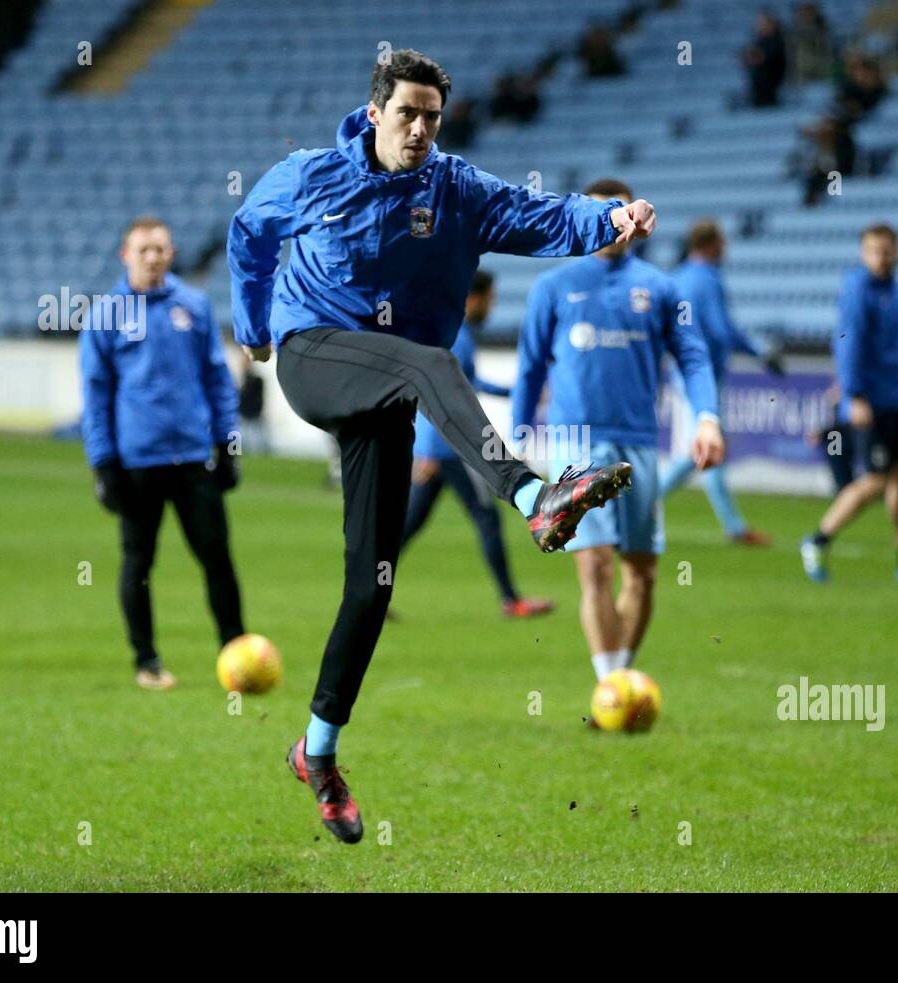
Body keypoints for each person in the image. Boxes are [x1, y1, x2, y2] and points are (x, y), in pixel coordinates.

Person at [227, 50, 654, 844]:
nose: (420, 129)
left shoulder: (456, 188)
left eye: (432, 117)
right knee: (431, 363)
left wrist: (611, 217)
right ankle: (534, 496)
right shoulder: (311, 174)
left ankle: (315, 754)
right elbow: (249, 231)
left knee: (371, 585)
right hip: (316, 355)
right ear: (375, 110)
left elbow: (542, 215)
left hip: (389, 388)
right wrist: (253, 328)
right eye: (407, 114)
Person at [511, 178, 723, 690]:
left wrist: (707, 417)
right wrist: (518, 440)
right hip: (575, 443)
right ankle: (609, 686)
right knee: (596, 567)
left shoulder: (660, 287)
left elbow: (693, 357)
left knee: (643, 572)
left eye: (621, 211)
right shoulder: (553, 286)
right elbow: (531, 367)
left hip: (639, 440)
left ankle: (621, 681)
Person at [80, 216, 246, 690]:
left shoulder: (192, 307)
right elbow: (96, 395)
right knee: (138, 563)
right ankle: (146, 661)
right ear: (125, 255)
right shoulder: (106, 315)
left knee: (218, 559)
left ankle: (236, 658)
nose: (152, 257)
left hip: (194, 459)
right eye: (143, 249)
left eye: (160, 249)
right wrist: (103, 464)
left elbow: (217, 380)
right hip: (137, 465)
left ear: (171, 254)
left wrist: (227, 445)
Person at [799, 224, 898, 586]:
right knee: (877, 480)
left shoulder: (897, 291)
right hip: (872, 402)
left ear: (897, 252)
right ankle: (817, 540)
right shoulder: (858, 291)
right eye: (874, 251)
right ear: (863, 254)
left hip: (897, 400)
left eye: (887, 250)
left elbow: (896, 351)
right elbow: (847, 344)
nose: (881, 257)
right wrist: (855, 395)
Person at [400, 270, 555, 619]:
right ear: (473, 299)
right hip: (451, 450)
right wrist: (426, 449)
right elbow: (433, 393)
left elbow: (467, 383)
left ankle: (369, 590)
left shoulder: (455, 332)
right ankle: (510, 600)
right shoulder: (457, 336)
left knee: (410, 524)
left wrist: (513, 392)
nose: (493, 305)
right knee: (487, 519)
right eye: (490, 299)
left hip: (441, 450)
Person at [659, 219, 779, 546]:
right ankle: (640, 502)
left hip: (682, 371)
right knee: (697, 451)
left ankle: (734, 526)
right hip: (704, 376)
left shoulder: (676, 277)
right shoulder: (708, 279)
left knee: (704, 450)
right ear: (711, 244)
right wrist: (760, 351)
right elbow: (721, 328)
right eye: (722, 242)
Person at [741, 12, 788, 108]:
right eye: (759, 24)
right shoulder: (759, 41)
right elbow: (748, 57)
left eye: (764, 24)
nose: (761, 27)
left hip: (774, 79)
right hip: (760, 83)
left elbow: (765, 57)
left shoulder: (779, 40)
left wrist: (755, 57)